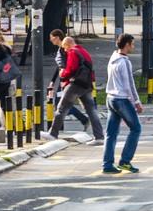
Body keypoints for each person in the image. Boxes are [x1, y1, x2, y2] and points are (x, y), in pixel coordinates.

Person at [48, 37, 105, 142]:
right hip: (86, 85)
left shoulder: (73, 52)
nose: (65, 51)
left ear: (68, 44)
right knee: (92, 111)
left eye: (65, 48)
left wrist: (62, 74)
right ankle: (99, 136)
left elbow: (70, 69)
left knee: (61, 109)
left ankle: (52, 134)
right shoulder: (84, 51)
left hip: (75, 85)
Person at [102, 34, 143, 174]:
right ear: (126, 45)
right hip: (121, 99)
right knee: (136, 128)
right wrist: (136, 102)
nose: (133, 47)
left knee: (111, 133)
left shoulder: (113, 58)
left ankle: (107, 164)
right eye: (132, 44)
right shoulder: (125, 61)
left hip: (110, 98)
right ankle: (125, 161)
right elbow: (128, 85)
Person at [47, 29, 90, 130]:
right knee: (62, 103)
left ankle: (59, 128)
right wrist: (53, 80)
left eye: (51, 38)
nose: (50, 40)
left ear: (57, 37)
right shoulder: (61, 49)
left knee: (60, 103)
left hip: (68, 80)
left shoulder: (64, 49)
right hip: (66, 79)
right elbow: (60, 66)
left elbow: (66, 66)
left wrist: (61, 80)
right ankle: (62, 127)